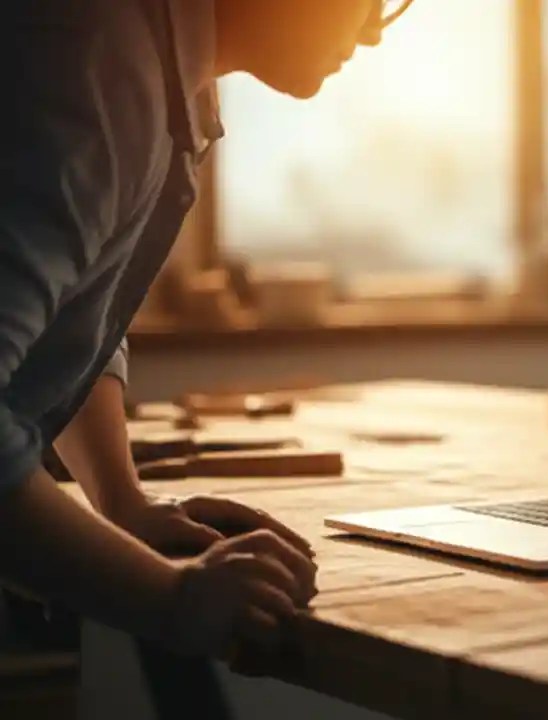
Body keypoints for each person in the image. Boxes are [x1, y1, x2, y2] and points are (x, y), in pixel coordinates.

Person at [0, 0, 413, 657]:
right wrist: (171, 599)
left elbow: (73, 308)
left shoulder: (165, 71)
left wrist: (122, 500)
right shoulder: (92, 63)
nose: (373, 31)